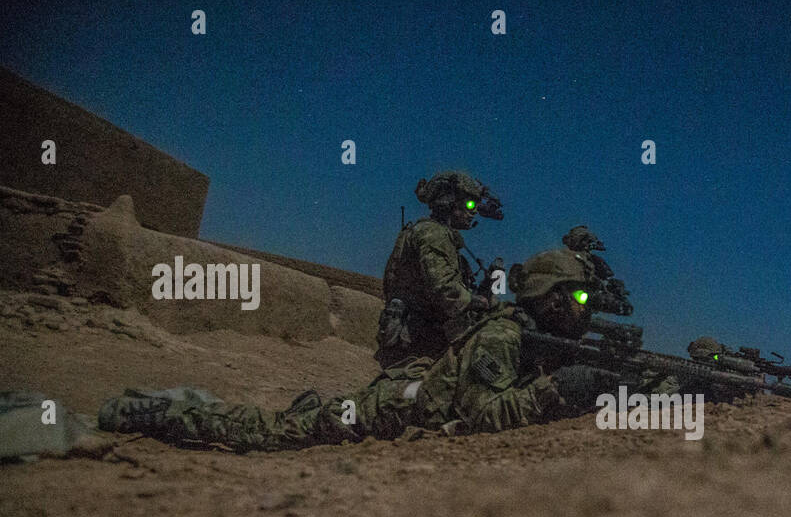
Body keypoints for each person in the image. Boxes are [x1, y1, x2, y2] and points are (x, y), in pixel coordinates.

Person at [97, 251, 607, 451]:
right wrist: (554, 394)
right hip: (386, 410)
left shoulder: (537, 339)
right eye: (579, 295)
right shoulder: (504, 336)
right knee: (268, 434)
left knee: (302, 421)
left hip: (408, 394)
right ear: (551, 295)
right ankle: (161, 413)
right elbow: (481, 414)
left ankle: (310, 408)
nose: (585, 307)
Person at [374, 170, 503, 368]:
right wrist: (479, 301)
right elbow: (444, 289)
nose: (474, 211)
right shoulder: (433, 234)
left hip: (419, 340)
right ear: (448, 201)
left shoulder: (438, 234)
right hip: (416, 344)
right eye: (469, 204)